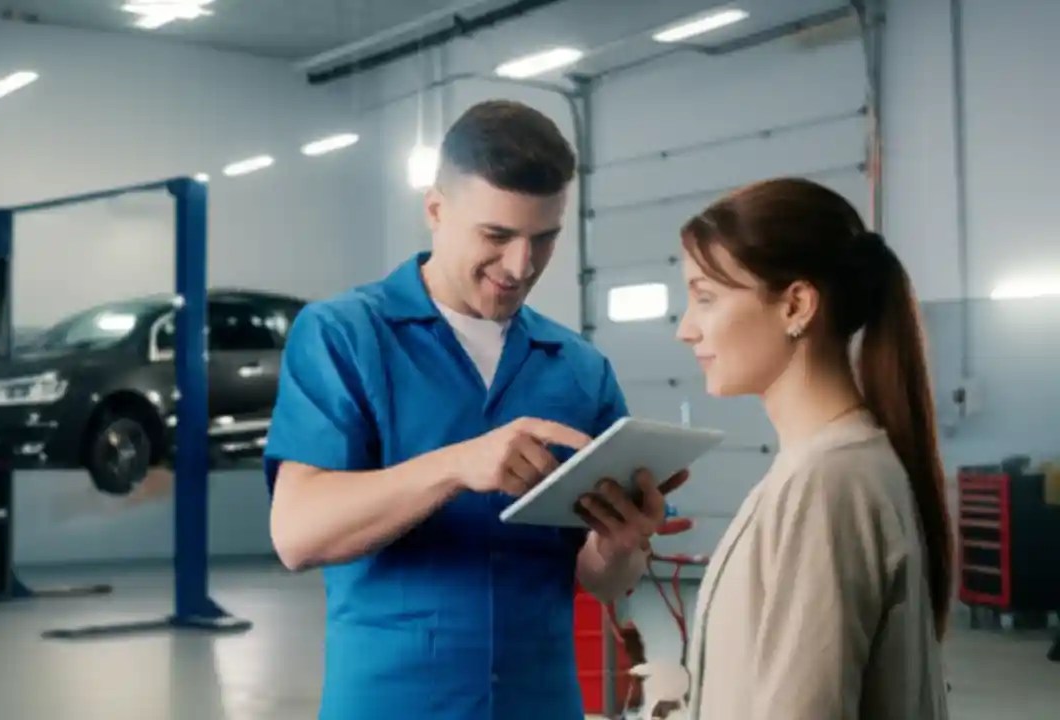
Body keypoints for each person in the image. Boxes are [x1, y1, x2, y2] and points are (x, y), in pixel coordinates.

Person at [263, 99, 682, 719]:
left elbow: (606, 582)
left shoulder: (577, 367)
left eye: (544, 239)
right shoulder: (345, 335)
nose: (521, 266)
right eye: (497, 235)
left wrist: (620, 545)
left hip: (539, 703)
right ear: (435, 209)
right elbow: (296, 534)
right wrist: (458, 466)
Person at [672, 177, 953, 719]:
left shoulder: (827, 484)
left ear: (796, 305)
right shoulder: (835, 466)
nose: (686, 329)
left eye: (705, 297)